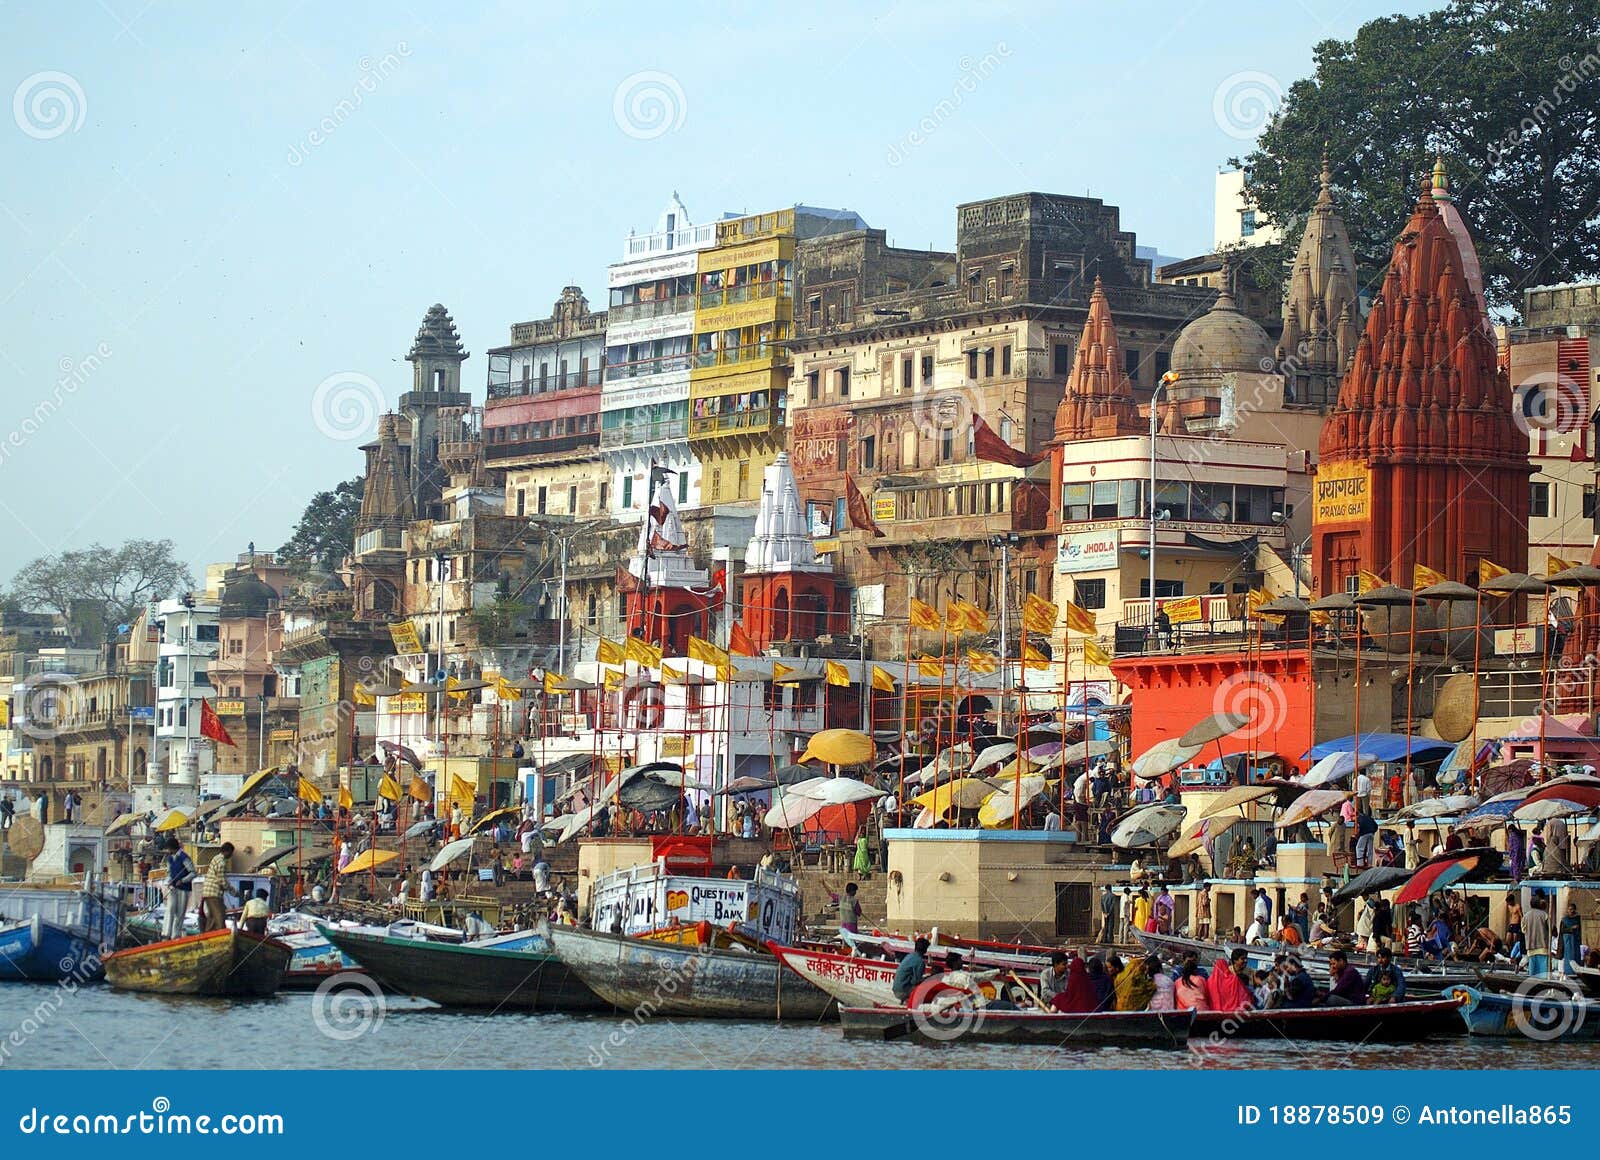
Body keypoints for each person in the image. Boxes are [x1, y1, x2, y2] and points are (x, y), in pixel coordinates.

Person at [163, 838, 197, 939]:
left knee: (180, 912)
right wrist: (169, 881)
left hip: (184, 888)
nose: (168, 851)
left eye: (168, 849)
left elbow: (193, 873)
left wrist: (182, 880)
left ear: (172, 848)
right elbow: (169, 873)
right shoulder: (169, 858)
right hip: (173, 887)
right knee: (170, 908)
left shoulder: (184, 857)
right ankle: (165, 933)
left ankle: (175, 935)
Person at [199, 842, 234, 933]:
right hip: (214, 892)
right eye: (231, 853)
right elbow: (221, 879)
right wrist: (232, 890)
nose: (231, 855)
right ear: (228, 851)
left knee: (212, 917)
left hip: (208, 892)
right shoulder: (221, 862)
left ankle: (208, 934)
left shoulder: (216, 858)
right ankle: (220, 935)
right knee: (220, 916)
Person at [892, 936, 928, 1003]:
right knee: (926, 987)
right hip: (902, 992)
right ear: (925, 950)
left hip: (896, 989)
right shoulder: (920, 962)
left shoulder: (909, 955)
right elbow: (915, 981)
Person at [1559, 901, 1582, 977]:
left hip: (1575, 941)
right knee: (1568, 956)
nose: (1570, 911)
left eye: (1572, 909)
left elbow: (1580, 930)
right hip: (1568, 941)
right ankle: (1568, 971)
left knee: (1576, 955)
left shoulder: (1578, 919)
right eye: (1569, 909)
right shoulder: (1564, 920)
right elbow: (1562, 931)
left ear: (1575, 910)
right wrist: (1571, 928)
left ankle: (1577, 971)